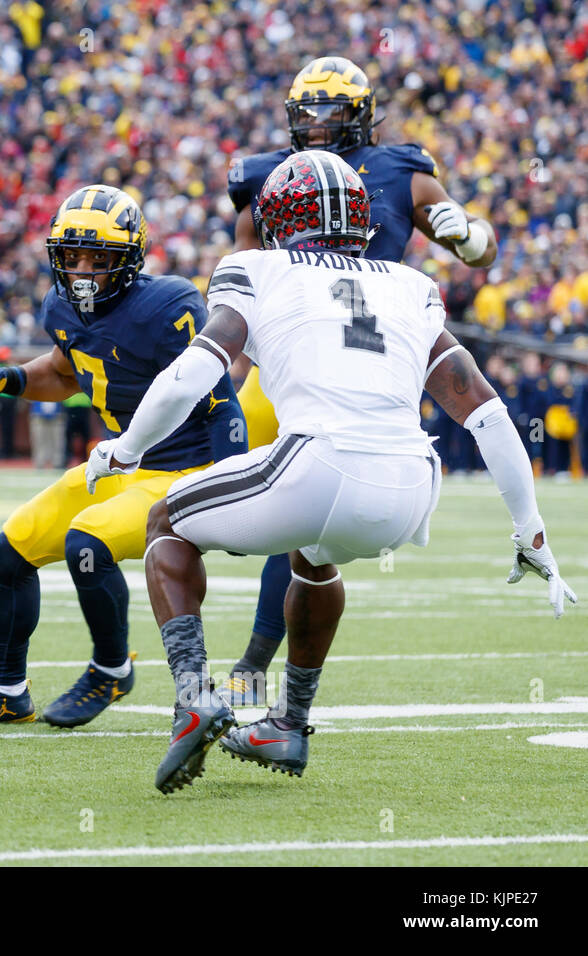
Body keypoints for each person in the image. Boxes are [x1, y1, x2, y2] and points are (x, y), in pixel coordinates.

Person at [86, 151, 575, 792]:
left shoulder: (254, 267)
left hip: (317, 462)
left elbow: (196, 370)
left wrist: (127, 447)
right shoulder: (409, 283)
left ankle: (193, 697)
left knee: (166, 522)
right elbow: (483, 411)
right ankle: (287, 722)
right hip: (410, 485)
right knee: (315, 556)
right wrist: (529, 527)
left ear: (276, 218)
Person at [221, 56, 500, 707]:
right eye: (307, 114)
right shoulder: (267, 176)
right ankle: (253, 671)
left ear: (363, 116)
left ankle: (257, 665)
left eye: (332, 114)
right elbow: (238, 276)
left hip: (367, 362)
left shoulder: (403, 170)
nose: (317, 128)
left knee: (300, 522)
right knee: (257, 507)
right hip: (284, 361)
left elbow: (481, 249)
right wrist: (226, 368)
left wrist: (472, 234)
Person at [0, 184, 244, 727]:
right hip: (120, 463)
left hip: (180, 470)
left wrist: (231, 485)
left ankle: (111, 668)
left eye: (98, 259)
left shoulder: (168, 305)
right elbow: (64, 371)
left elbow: (219, 401)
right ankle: (7, 691)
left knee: (87, 543)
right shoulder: (60, 307)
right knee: (11, 551)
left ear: (130, 258)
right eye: (70, 257)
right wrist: (11, 379)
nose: (81, 271)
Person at [28, 400, 64, 470]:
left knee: (57, 441)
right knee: (39, 440)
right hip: (38, 414)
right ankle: (39, 463)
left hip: (57, 414)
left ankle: (57, 463)